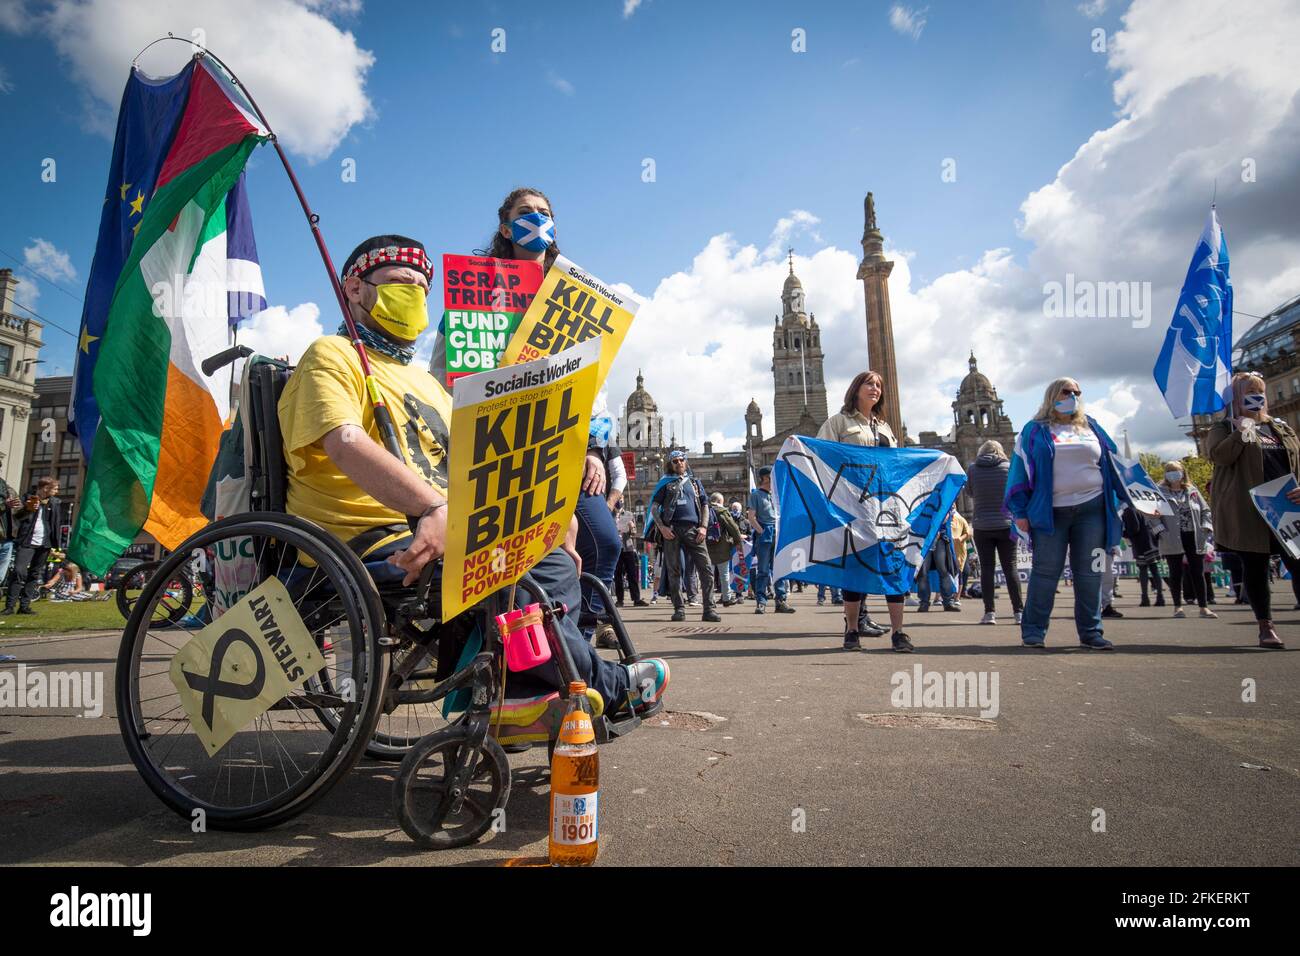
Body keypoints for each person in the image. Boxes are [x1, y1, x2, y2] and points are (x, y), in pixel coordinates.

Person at [277, 233, 668, 716]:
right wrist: (431, 507)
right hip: (366, 536)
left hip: (449, 526)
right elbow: (345, 443)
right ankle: (601, 687)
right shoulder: (330, 355)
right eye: (402, 283)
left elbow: (473, 463)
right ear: (355, 289)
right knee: (516, 571)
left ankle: (522, 694)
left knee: (551, 551)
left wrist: (544, 510)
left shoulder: (425, 380)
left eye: (423, 288)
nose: (416, 297)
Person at [1005, 378, 1126, 649]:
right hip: (1050, 513)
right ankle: (1034, 631)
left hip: (1093, 510)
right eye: (1066, 391)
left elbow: (1117, 464)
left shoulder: (1092, 426)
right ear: (1052, 395)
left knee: (1090, 573)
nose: (1073, 396)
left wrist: (1138, 500)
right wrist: (1020, 510)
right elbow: (1019, 471)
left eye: (1077, 392)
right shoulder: (1034, 430)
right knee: (1045, 573)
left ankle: (1091, 632)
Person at [1205, 371, 1299, 648]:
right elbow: (1219, 457)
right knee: (1255, 567)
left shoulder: (1281, 428)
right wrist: (1242, 431)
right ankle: (1265, 626)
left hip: (1286, 506)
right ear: (1236, 399)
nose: (1256, 398)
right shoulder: (1225, 428)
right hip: (1249, 507)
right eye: (1248, 393)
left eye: (1260, 392)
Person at [817, 370, 909, 650]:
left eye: (879, 385)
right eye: (869, 383)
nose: (875, 388)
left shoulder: (885, 428)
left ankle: (898, 633)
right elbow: (819, 456)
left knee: (894, 568)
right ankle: (852, 630)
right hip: (854, 508)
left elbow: (896, 464)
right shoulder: (839, 422)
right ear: (856, 389)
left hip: (887, 507)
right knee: (855, 569)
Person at [649, 450, 720, 623]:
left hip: (694, 530)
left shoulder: (695, 482)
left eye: (682, 460)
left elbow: (705, 504)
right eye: (675, 461)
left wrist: (703, 527)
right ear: (670, 464)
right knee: (674, 571)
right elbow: (654, 508)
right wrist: (663, 528)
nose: (679, 463)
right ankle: (679, 609)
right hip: (672, 531)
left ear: (686, 462)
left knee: (706, 569)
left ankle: (709, 609)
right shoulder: (665, 483)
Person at [966, 440, 1024, 625]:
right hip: (1006, 524)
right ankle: (1019, 612)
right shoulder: (1009, 467)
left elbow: (970, 492)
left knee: (987, 569)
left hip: (982, 525)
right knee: (1010, 568)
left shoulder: (973, 469)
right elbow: (1015, 492)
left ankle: (989, 613)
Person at [1154, 460, 1216, 619]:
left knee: (1198, 572)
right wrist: (1161, 531)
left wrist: (1206, 527)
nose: (1173, 474)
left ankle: (1203, 607)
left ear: (1183, 473)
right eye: (1169, 471)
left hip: (1194, 536)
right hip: (1171, 536)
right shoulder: (1159, 491)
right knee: (1175, 572)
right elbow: (1150, 514)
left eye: (1176, 471)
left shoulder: (1192, 490)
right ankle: (1178, 607)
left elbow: (1206, 510)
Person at [4, 477, 60, 616]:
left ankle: (24, 606)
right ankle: (10, 606)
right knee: (19, 571)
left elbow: (55, 525)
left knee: (34, 574)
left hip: (44, 544)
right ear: (45, 488)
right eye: (55, 488)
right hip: (26, 541)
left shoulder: (54, 502)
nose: (57, 491)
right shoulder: (27, 498)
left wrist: (55, 546)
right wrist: (28, 510)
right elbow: (18, 517)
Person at [746, 465, 796, 616]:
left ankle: (781, 601)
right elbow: (751, 517)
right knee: (763, 571)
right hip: (765, 533)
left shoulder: (776, 494)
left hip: (778, 532)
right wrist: (761, 531)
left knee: (779, 569)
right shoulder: (756, 495)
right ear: (765, 478)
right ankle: (761, 602)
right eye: (771, 477)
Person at [917, 508, 961, 612]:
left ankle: (948, 602)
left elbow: (947, 512)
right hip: (923, 538)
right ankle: (924, 602)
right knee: (922, 572)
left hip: (940, 537)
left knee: (943, 569)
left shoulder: (942, 494)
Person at [707, 492, 745, 607]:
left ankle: (709, 600)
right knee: (724, 574)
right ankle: (726, 598)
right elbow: (733, 528)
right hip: (722, 547)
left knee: (708, 575)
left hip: (706, 547)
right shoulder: (722, 512)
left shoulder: (703, 510)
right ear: (719, 502)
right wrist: (738, 542)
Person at [612, 501, 647, 608]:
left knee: (632, 574)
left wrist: (632, 527)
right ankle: (619, 599)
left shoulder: (628, 514)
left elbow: (634, 532)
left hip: (628, 548)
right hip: (617, 548)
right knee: (618, 575)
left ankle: (636, 599)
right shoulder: (610, 514)